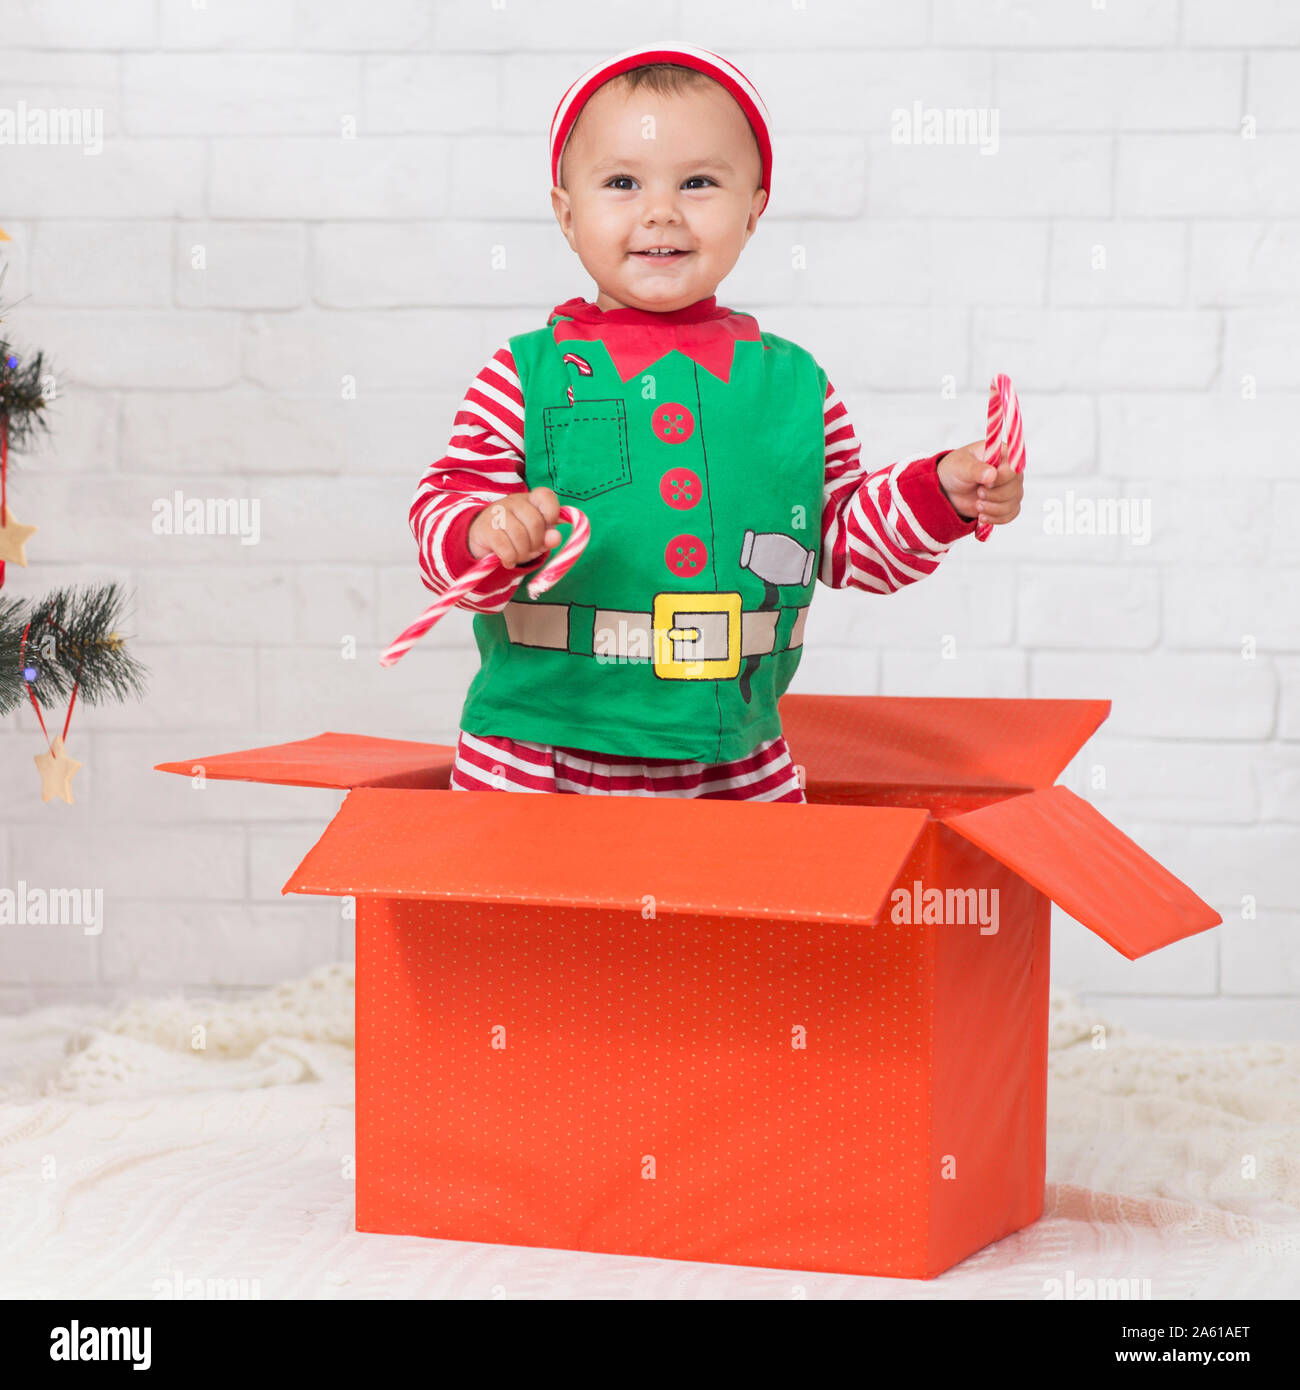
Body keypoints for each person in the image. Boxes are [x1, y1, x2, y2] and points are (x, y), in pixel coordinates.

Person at [409, 44, 1023, 801]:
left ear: (755, 209)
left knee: (755, 921)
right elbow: (443, 521)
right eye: (622, 182)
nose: (660, 210)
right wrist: (481, 531)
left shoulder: (795, 384)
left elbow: (845, 545)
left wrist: (942, 494)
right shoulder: (526, 375)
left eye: (699, 182)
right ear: (567, 215)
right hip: (537, 750)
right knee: (529, 923)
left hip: (738, 755)